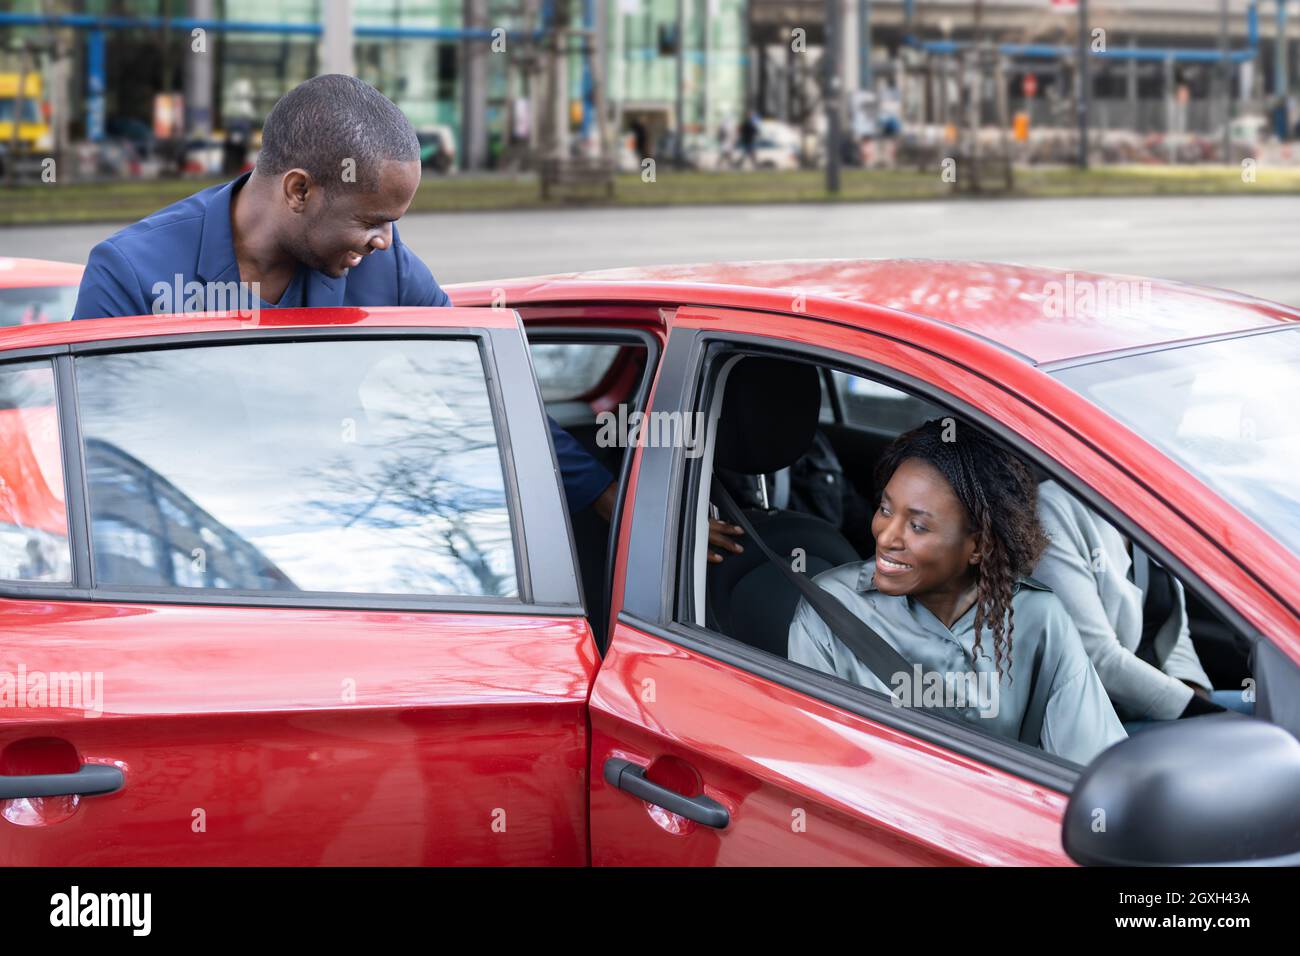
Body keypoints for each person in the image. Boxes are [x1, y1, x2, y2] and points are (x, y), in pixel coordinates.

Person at [71, 74, 744, 556]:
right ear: (299, 190)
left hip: (342, 554)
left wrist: (613, 503)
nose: (387, 243)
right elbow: (94, 474)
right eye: (372, 221)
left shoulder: (384, 266)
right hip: (186, 570)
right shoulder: (131, 275)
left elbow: (483, 385)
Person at [787, 419, 1126, 765]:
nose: (886, 536)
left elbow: (1093, 761)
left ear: (978, 547)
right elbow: (819, 763)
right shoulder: (829, 607)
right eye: (886, 510)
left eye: (917, 526)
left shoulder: (1038, 617)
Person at [1032, 479, 1252, 731]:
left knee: (1271, 718)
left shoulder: (1142, 505)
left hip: (1153, 706)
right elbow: (1095, 657)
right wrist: (1195, 710)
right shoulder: (1053, 509)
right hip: (1093, 725)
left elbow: (1172, 624)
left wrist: (1192, 688)